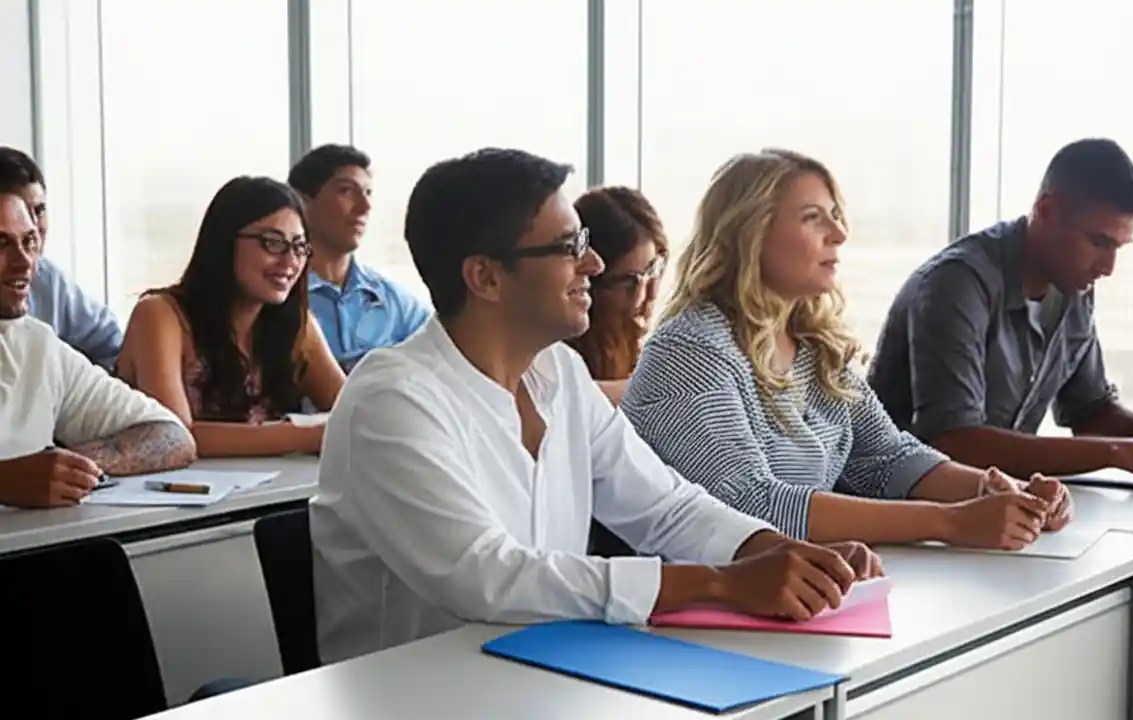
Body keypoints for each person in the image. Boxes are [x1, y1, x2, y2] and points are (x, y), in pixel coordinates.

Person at [310, 148, 883, 664]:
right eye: (569, 248)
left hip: (550, 677)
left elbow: (666, 507)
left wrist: (788, 554)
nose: (595, 266)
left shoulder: (558, 371)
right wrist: (722, 583)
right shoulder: (393, 399)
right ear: (485, 276)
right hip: (420, 698)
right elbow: (485, 576)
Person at [623, 149, 1070, 549]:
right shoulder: (690, 350)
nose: (838, 232)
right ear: (751, 232)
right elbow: (749, 503)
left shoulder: (814, 348)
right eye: (813, 217)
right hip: (690, 613)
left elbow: (889, 458)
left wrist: (1005, 494)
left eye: (836, 215)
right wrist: (950, 523)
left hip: (792, 592)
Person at [867, 138, 1133, 483]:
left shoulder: (1072, 285)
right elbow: (954, 442)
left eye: (1117, 248)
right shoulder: (957, 283)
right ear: (1046, 212)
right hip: (900, 520)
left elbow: (1090, 411)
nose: (1108, 267)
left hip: (988, 513)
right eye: (1099, 242)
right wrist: (1121, 453)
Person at [116, 176, 345, 457]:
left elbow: (353, 409)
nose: (290, 262)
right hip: (171, 496)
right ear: (224, 241)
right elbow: (175, 436)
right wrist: (308, 435)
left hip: (275, 493)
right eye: (272, 243)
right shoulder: (161, 314)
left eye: (299, 246)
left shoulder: (298, 325)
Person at [0, 188, 196, 508]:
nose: (24, 262)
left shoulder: (38, 344)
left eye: (29, 242)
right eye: (1, 244)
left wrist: (67, 467)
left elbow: (173, 436)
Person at [288, 144, 432, 372]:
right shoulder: (281, 295)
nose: (365, 207)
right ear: (303, 202)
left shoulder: (395, 303)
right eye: (346, 191)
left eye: (368, 193)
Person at [0, 146, 122, 368]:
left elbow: (112, 346)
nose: (32, 227)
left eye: (39, 211)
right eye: (18, 212)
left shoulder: (49, 281)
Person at [565, 186, 668, 406]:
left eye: (653, 270)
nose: (647, 294)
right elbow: (567, 400)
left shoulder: (644, 353)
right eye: (628, 281)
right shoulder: (559, 363)